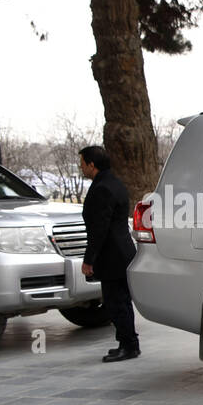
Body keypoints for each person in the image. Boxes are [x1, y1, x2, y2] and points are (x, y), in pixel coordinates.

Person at [78, 146, 139, 362]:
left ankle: (128, 346)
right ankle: (128, 342)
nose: (81, 167)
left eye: (82, 163)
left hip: (112, 254)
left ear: (92, 165)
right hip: (122, 251)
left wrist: (89, 260)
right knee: (121, 301)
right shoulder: (115, 183)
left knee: (116, 303)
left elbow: (99, 229)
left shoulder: (102, 188)